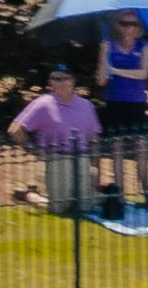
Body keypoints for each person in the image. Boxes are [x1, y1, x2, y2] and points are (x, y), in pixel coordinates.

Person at [9, 65, 103, 218]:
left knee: (85, 207)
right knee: (59, 209)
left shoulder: (86, 106)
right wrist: (33, 150)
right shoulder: (43, 103)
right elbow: (15, 129)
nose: (61, 83)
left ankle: (99, 194)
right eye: (56, 79)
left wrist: (96, 168)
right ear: (50, 82)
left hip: (81, 158)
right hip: (56, 158)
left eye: (65, 78)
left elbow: (94, 139)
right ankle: (29, 195)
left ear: (73, 81)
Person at [95, 10, 148, 206]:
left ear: (139, 27)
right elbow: (101, 79)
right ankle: (119, 194)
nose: (129, 28)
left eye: (133, 24)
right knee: (117, 148)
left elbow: (143, 73)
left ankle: (146, 191)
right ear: (117, 25)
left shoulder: (144, 46)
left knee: (141, 147)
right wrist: (104, 54)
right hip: (115, 101)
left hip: (136, 102)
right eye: (124, 23)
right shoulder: (109, 46)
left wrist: (117, 71)